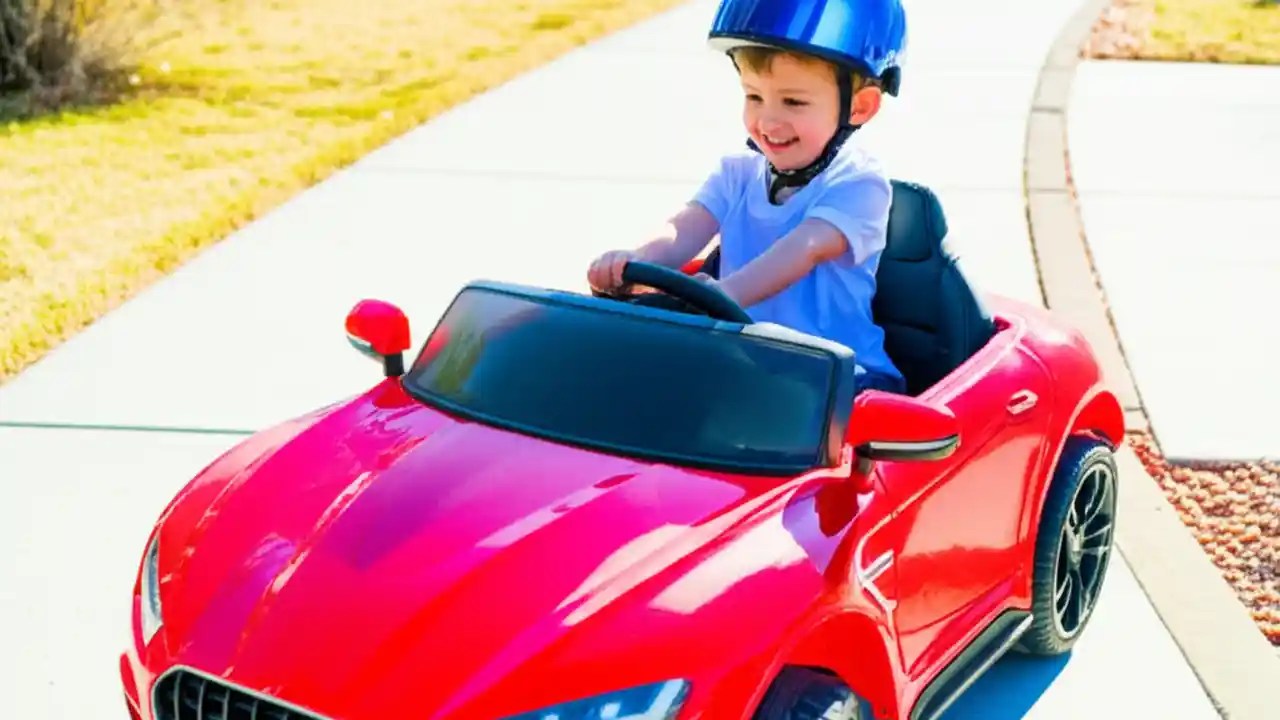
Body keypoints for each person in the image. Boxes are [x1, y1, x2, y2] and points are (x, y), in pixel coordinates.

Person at [586, 0, 909, 395]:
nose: (768, 120)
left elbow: (803, 249)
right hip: (747, 361)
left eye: (793, 102)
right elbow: (684, 228)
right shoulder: (737, 172)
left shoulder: (859, 184)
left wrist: (724, 295)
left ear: (859, 107)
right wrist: (634, 261)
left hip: (837, 376)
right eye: (754, 97)